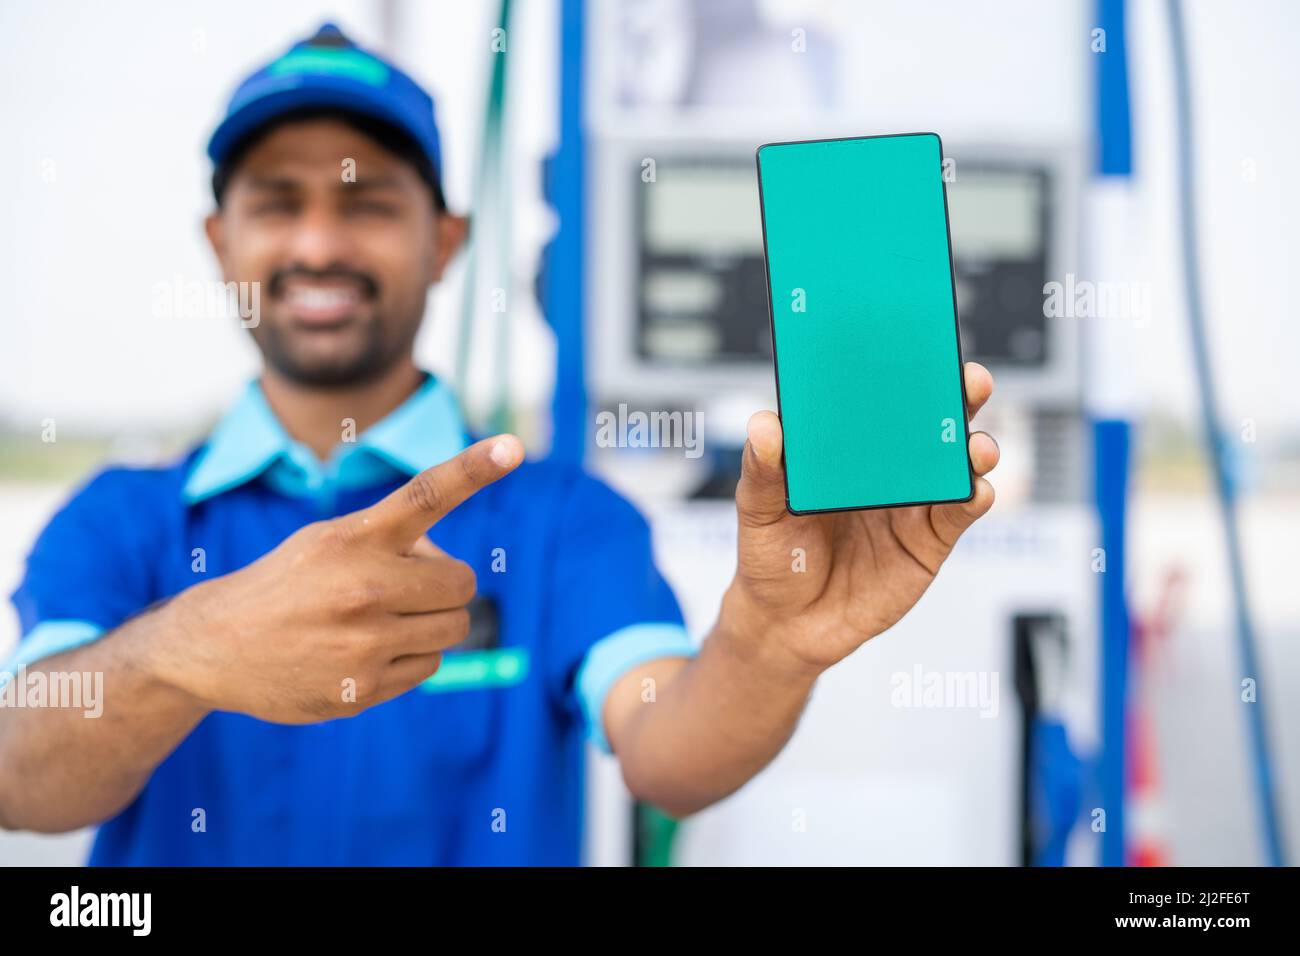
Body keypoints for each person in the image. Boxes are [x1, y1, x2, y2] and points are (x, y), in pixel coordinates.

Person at [0, 23, 1000, 864]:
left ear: (444, 240)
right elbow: (23, 780)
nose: (317, 245)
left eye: (367, 202)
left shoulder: (563, 518)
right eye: (276, 202)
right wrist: (187, 646)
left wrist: (771, 645)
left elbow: (667, 751)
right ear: (220, 242)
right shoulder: (117, 520)